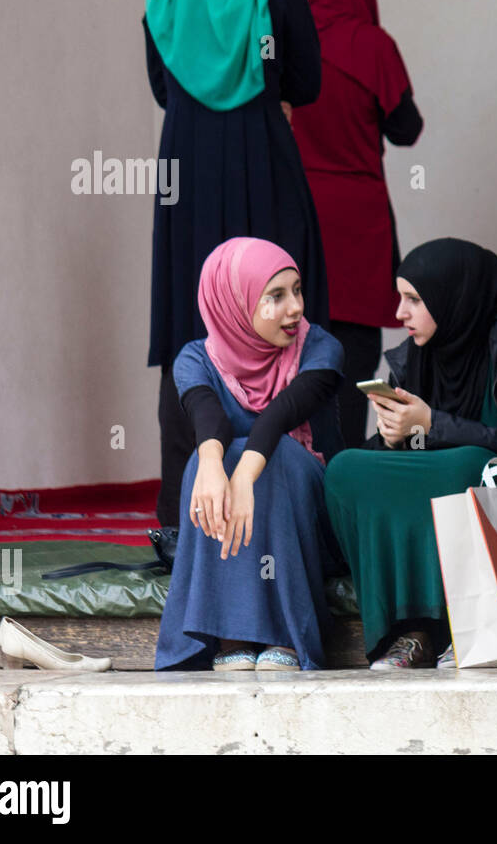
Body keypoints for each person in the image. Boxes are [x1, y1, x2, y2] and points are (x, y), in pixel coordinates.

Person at [143, 0, 332, 529]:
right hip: (262, 158)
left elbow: (163, 88)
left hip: (185, 171)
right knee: (281, 310)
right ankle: (295, 502)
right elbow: (306, 81)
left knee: (188, 324)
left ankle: (178, 512)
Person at [322, 238, 497, 670]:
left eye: (413, 299)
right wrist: (395, 437)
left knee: (467, 464)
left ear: (454, 297)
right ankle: (409, 633)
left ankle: (444, 628)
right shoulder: (414, 356)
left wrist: (431, 426)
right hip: (437, 479)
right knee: (345, 469)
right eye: (400, 298)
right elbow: (410, 455)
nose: (400, 314)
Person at [155, 237, 344, 672]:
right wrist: (210, 467)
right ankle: (231, 636)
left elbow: (278, 417)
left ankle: (285, 634)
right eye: (276, 297)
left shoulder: (320, 347)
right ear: (233, 303)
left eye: (297, 291)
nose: (295, 307)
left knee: (271, 459)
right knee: (205, 463)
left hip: (307, 513)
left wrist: (241, 477)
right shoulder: (196, 358)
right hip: (235, 502)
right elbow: (209, 418)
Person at [291, 0, 423, 447]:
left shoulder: (287, 40)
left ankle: (293, 479)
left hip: (297, 217)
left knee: (295, 347)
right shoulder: (373, 46)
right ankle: (342, 470)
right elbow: (406, 128)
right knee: (352, 355)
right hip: (360, 226)